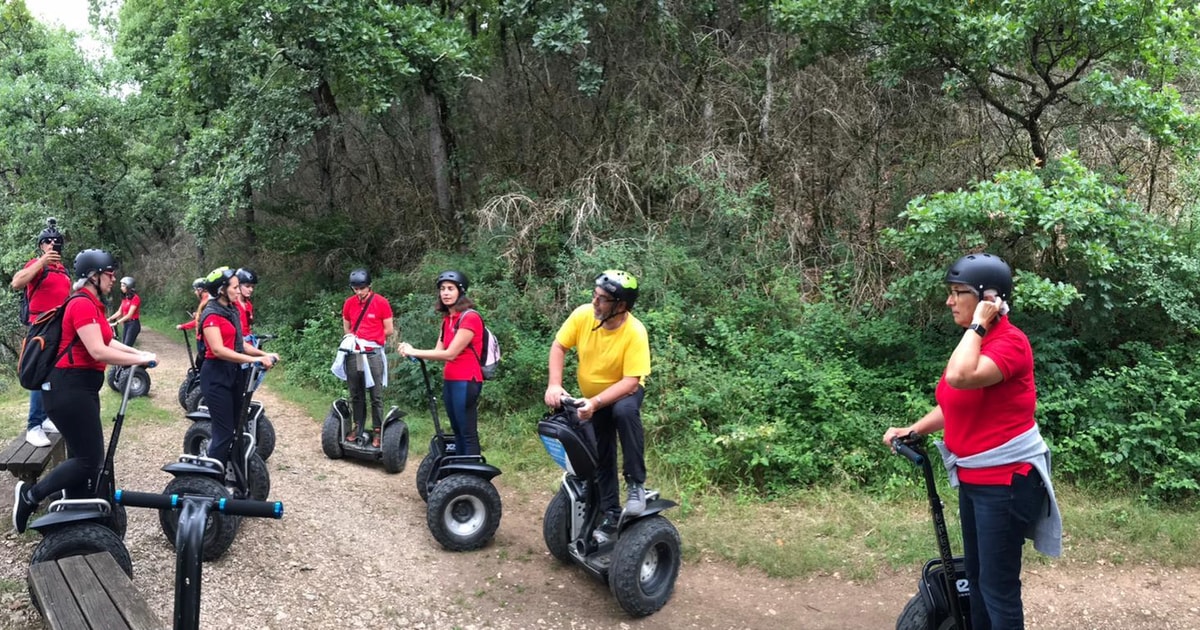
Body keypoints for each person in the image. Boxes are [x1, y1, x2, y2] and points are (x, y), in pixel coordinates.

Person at [882, 253, 1062, 630]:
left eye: (957, 292)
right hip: (976, 480)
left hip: (1007, 483)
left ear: (988, 298)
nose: (949, 301)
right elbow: (955, 403)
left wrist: (978, 326)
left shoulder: (1010, 343)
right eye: (949, 292)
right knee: (978, 582)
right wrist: (913, 430)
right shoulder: (978, 344)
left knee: (997, 588)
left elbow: (961, 377)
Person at [12, 249, 156, 533]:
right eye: (109, 273)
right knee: (90, 461)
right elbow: (98, 350)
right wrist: (139, 359)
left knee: (81, 455)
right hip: (68, 390)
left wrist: (139, 352)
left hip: (77, 390)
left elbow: (108, 341)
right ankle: (30, 495)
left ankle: (73, 506)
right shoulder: (80, 304)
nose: (114, 279)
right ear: (94, 275)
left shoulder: (92, 304)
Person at [543, 269, 652, 522]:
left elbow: (630, 382)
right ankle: (610, 513)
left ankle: (636, 484)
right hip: (593, 398)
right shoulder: (583, 315)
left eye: (602, 298)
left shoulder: (635, 332)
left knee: (624, 412)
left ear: (621, 305)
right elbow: (559, 346)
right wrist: (554, 385)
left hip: (623, 392)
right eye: (595, 295)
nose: (595, 301)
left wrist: (595, 402)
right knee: (602, 451)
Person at [197, 267, 279, 476]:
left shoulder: (232, 310)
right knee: (223, 432)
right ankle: (210, 480)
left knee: (236, 427)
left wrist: (263, 354)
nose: (238, 290)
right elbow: (218, 350)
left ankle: (231, 473)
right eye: (234, 287)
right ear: (222, 289)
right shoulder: (211, 314)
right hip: (216, 375)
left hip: (233, 374)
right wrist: (253, 360)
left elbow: (239, 344)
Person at [398, 270, 484, 456]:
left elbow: (450, 354)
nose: (445, 293)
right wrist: (412, 352)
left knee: (466, 430)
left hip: (467, 380)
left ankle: (471, 475)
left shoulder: (470, 318)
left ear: (460, 292)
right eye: (442, 289)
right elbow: (438, 351)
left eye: (450, 289)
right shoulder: (447, 320)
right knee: (457, 429)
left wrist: (415, 351)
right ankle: (460, 473)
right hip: (451, 379)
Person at [10, 219, 71, 447]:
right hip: (40, 325)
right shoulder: (37, 264)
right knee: (38, 373)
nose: (52, 245)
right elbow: (17, 282)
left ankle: (46, 419)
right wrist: (42, 261)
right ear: (41, 245)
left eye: (56, 242)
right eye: (47, 242)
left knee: (52, 376)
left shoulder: (63, 271)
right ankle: (33, 426)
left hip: (59, 327)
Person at [339, 269, 394, 447]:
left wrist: (373, 339)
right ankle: (358, 426)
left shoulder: (381, 302)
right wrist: (355, 341)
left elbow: (389, 329)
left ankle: (378, 429)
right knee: (356, 392)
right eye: (356, 288)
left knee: (375, 394)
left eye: (362, 288)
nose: (359, 292)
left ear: (369, 286)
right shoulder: (349, 303)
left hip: (373, 352)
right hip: (355, 351)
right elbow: (347, 328)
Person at [177, 277, 208, 371]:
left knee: (201, 361)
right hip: (202, 336)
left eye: (195, 290)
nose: (195, 293)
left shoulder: (206, 301)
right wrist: (197, 315)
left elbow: (199, 322)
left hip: (203, 337)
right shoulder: (206, 300)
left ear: (200, 290)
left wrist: (183, 326)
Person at [107, 276, 141, 347]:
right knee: (124, 346)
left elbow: (129, 315)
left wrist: (116, 323)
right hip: (126, 324)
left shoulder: (135, 298)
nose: (121, 288)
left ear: (128, 286)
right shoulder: (125, 298)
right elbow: (119, 312)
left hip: (133, 324)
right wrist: (109, 319)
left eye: (123, 286)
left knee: (127, 347)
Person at [233, 267, 258, 346]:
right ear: (238, 285)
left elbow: (249, 326)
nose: (251, 289)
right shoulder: (232, 304)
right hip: (236, 343)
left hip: (248, 342)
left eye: (252, 287)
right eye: (247, 286)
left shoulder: (248, 305)